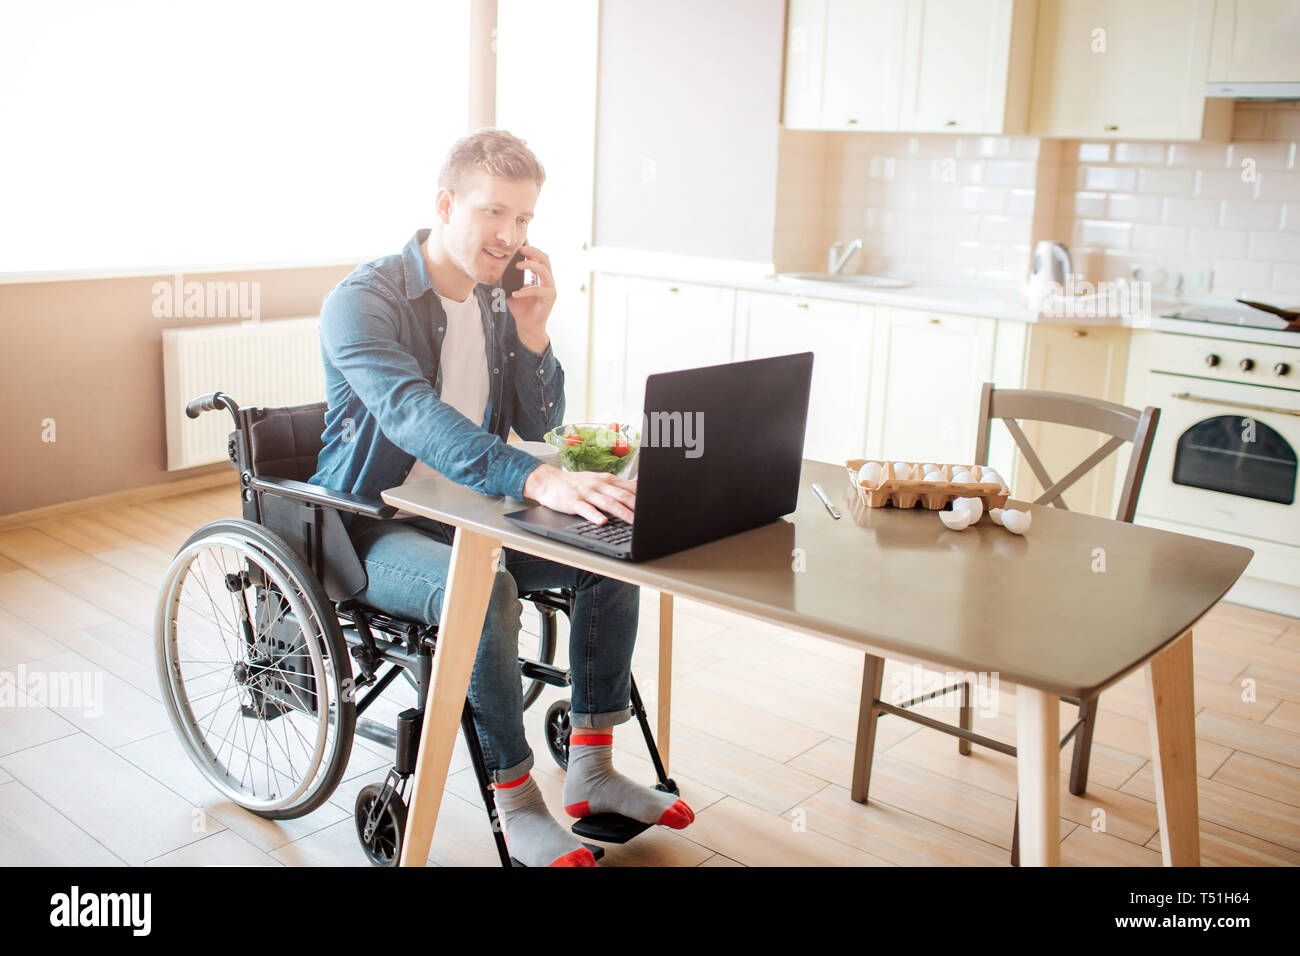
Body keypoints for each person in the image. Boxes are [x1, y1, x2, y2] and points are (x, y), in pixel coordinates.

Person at [309, 128, 693, 867]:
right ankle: (516, 801)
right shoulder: (361, 302)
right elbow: (413, 415)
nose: (509, 237)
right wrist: (536, 478)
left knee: (608, 554)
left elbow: (537, 424)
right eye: (494, 214)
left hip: (475, 514)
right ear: (446, 204)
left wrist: (533, 332)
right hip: (371, 527)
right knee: (485, 587)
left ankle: (592, 771)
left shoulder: (493, 300)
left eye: (524, 220)